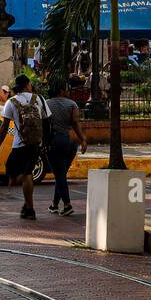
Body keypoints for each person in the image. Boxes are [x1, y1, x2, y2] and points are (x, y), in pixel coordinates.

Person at [0, 73, 49, 220]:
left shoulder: (11, 102)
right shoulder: (39, 99)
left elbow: (4, 127)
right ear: (27, 85)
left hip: (19, 144)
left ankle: (29, 207)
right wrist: (45, 142)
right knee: (26, 174)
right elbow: (47, 122)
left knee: (14, 175)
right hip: (36, 143)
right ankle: (28, 205)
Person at [46, 79, 87, 217]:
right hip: (68, 141)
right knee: (61, 173)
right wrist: (82, 139)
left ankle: (67, 205)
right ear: (61, 90)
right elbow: (75, 123)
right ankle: (54, 204)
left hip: (52, 141)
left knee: (59, 174)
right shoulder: (72, 104)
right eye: (66, 88)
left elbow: (43, 123)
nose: (68, 91)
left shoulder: (46, 104)